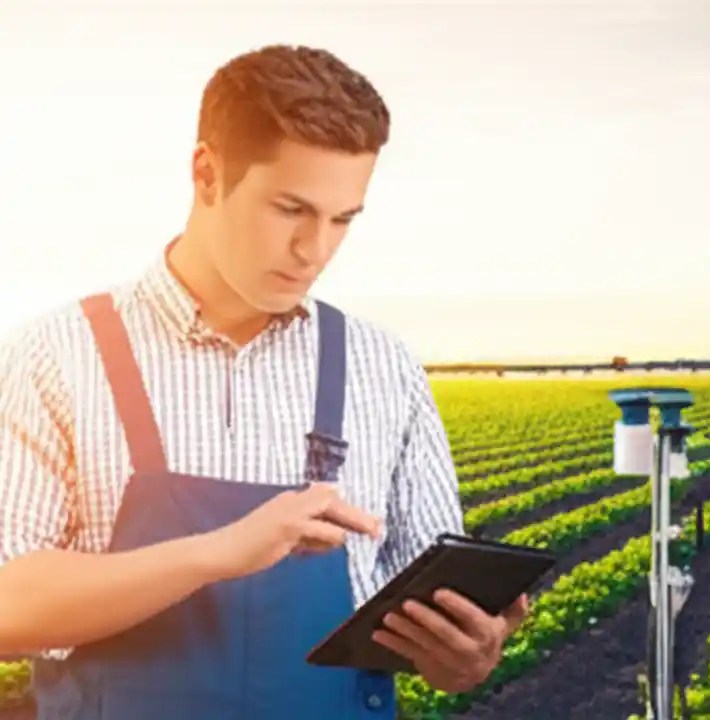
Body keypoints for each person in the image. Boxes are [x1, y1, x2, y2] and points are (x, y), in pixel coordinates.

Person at [0, 44, 528, 718]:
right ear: (207, 173)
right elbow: (7, 606)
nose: (316, 250)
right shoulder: (58, 355)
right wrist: (218, 552)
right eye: (290, 209)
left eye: (342, 220)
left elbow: (427, 617)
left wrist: (466, 655)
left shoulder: (382, 365)